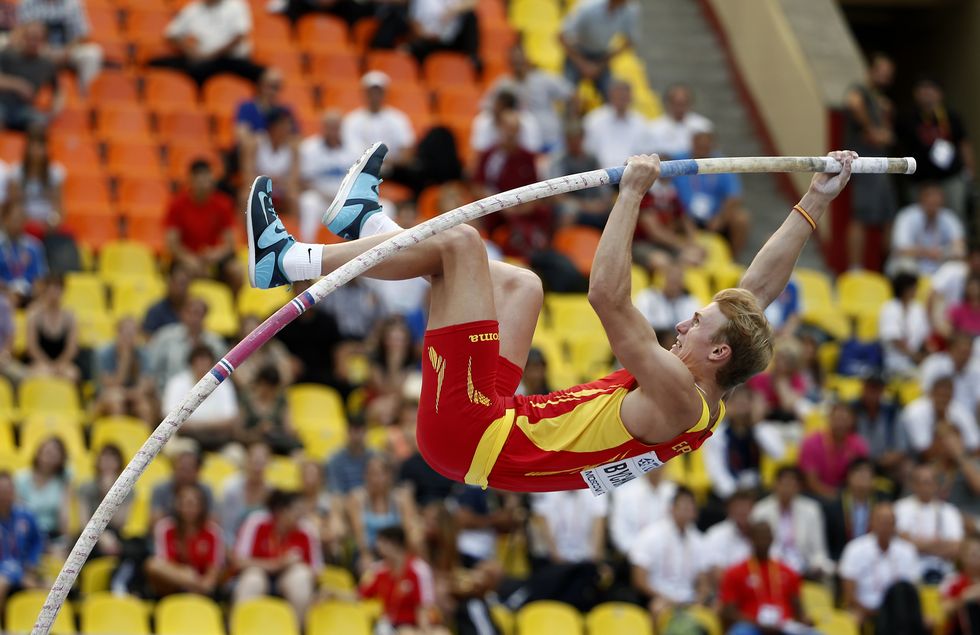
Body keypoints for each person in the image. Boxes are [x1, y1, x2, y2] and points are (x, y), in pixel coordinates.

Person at [244, 143, 859, 494]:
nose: (683, 325)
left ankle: (289, 260)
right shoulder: (707, 388)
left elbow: (608, 298)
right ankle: (367, 224)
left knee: (459, 247)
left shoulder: (677, 394)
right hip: (496, 418)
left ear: (717, 353)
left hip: (471, 433)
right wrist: (813, 201)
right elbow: (758, 289)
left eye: (696, 323)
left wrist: (631, 194)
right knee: (518, 285)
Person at [232, 489, 322, 622]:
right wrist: (277, 564)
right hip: (259, 573)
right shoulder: (256, 522)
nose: (300, 516)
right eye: (296, 510)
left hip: (287, 579)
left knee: (300, 579)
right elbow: (238, 561)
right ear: (281, 510)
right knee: (253, 580)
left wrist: (297, 565)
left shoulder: (307, 530)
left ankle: (298, 629)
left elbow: (317, 572)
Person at [844, 52, 898, 270]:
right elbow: (854, 103)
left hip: (880, 164)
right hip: (864, 162)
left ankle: (889, 267)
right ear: (871, 71)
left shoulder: (878, 100)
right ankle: (855, 268)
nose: (884, 78)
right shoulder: (860, 90)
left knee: (889, 215)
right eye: (881, 72)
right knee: (861, 216)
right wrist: (872, 130)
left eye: (888, 74)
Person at [629, 486, 710, 624]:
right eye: (682, 506)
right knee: (657, 608)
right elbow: (639, 579)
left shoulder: (698, 540)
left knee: (708, 616)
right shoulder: (651, 535)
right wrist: (663, 597)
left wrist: (700, 599)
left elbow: (703, 580)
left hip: (688, 599)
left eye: (690, 507)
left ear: (695, 513)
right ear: (671, 508)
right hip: (660, 597)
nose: (686, 511)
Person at [839, 502, 923, 632]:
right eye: (881, 522)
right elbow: (849, 594)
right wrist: (871, 611)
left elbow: (912, 590)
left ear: (895, 525)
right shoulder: (855, 549)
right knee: (854, 620)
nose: (885, 527)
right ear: (871, 522)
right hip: (866, 609)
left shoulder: (907, 550)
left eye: (889, 523)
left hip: (898, 611)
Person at [899, 77, 974, 219]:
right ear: (916, 94)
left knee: (955, 216)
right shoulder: (908, 117)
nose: (927, 93)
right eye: (922, 89)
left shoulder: (951, 116)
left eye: (931, 89)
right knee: (918, 219)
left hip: (950, 178)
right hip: (920, 179)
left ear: (940, 93)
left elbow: (964, 144)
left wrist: (969, 173)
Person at [719, 521, 807, 635]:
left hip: (783, 627)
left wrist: (805, 620)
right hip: (750, 627)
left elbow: (799, 610)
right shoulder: (734, 572)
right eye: (759, 537)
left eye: (766, 536)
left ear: (772, 539)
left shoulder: (788, 572)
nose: (763, 541)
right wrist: (757, 623)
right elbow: (728, 613)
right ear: (750, 539)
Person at [673, 128, 750, 258]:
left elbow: (734, 196)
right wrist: (683, 214)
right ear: (692, 143)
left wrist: (720, 217)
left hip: (714, 217)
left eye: (706, 146)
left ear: (713, 145)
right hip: (684, 215)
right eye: (699, 145)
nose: (702, 149)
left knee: (741, 218)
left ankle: (732, 260)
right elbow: (668, 191)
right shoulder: (679, 160)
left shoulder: (722, 163)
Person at [150, 0, 263, 86]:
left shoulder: (236, 5)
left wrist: (212, 55)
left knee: (265, 75)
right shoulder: (194, 8)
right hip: (202, 60)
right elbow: (171, 34)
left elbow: (239, 36)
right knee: (155, 63)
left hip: (230, 60)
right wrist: (190, 51)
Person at [485, 45, 573, 154]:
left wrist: (567, 122)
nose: (518, 65)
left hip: (550, 139)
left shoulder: (542, 79)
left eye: (520, 61)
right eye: (514, 62)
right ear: (509, 63)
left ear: (527, 60)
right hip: (522, 144)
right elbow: (487, 106)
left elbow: (572, 95)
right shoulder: (504, 84)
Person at [750, 467, 832, 577]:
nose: (787, 489)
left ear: (798, 487)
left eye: (792, 485)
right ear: (775, 485)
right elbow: (758, 546)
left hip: (805, 565)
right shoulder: (760, 509)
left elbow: (818, 549)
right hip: (772, 564)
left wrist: (817, 564)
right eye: (784, 484)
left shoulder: (811, 509)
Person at [164, 159, 238, 283]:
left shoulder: (223, 204)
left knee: (237, 271)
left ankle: (236, 302)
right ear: (191, 180)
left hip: (213, 258)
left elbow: (230, 243)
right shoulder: (177, 205)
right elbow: (172, 243)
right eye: (200, 179)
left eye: (207, 178)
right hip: (186, 259)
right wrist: (188, 259)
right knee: (178, 280)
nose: (204, 184)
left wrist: (216, 254)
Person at [145, 483, 224, 597]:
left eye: (193, 504)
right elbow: (165, 563)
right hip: (171, 585)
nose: (188, 509)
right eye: (184, 504)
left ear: (202, 506)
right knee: (152, 565)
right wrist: (187, 575)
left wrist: (203, 584)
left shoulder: (213, 532)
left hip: (202, 585)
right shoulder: (165, 528)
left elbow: (214, 568)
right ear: (177, 505)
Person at [359, 525, 441, 634]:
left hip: (418, 623)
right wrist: (333, 593)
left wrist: (425, 631)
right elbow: (359, 595)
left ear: (393, 544)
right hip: (391, 625)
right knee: (406, 632)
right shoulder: (378, 570)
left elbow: (423, 607)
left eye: (381, 542)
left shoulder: (419, 569)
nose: (377, 546)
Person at [895, 462, 964, 584]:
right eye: (921, 482)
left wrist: (918, 545)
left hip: (943, 571)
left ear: (936, 485)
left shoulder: (950, 511)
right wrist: (938, 545)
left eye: (929, 482)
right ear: (913, 485)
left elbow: (955, 548)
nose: (925, 487)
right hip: (910, 571)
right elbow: (902, 544)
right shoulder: (900, 508)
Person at [162, 345, 240, 452]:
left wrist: (197, 426)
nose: (202, 366)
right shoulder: (177, 383)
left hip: (217, 440)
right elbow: (169, 418)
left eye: (205, 361)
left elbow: (231, 419)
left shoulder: (224, 384)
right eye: (199, 361)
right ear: (191, 363)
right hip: (185, 438)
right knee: (171, 448)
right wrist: (210, 425)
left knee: (236, 453)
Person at [298, 110, 359, 242]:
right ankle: (307, 248)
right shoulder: (309, 147)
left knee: (385, 206)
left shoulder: (355, 148)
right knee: (308, 202)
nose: (332, 131)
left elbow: (361, 179)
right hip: (322, 198)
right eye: (329, 127)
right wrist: (324, 194)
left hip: (348, 199)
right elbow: (305, 181)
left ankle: (369, 253)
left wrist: (346, 197)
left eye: (336, 127)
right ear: (323, 128)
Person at [558, 0, 640, 99]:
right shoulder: (587, 6)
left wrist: (601, 64)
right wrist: (582, 64)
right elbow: (561, 36)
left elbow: (630, 42)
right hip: (577, 53)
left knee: (613, 95)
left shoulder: (630, 10)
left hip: (601, 56)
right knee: (567, 93)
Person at [17, 0, 102, 89]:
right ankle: (19, 93)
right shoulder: (28, 2)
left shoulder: (73, 3)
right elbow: (20, 32)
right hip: (37, 49)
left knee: (92, 54)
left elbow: (82, 34)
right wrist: (39, 48)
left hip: (68, 50)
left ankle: (86, 97)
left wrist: (66, 51)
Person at [887, 182, 966, 276]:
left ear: (942, 200)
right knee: (905, 264)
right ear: (921, 199)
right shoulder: (906, 216)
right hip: (914, 264)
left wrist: (944, 253)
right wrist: (928, 253)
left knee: (960, 268)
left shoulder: (949, 218)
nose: (933, 201)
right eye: (929, 197)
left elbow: (960, 248)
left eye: (936, 198)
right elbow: (901, 249)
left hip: (939, 265)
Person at [341, 72, 415, 169]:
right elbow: (348, 149)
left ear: (385, 93)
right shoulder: (351, 120)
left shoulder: (398, 118)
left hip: (393, 169)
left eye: (378, 92)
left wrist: (393, 162)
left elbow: (406, 148)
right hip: (360, 169)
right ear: (363, 93)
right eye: (371, 92)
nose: (374, 95)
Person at [798, 401, 869, 499]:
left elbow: (862, 476)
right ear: (829, 418)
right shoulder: (811, 443)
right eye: (837, 419)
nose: (840, 423)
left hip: (848, 496)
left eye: (844, 419)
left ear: (852, 421)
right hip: (816, 496)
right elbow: (811, 482)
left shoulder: (858, 445)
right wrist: (834, 497)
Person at [0, 21, 62, 131]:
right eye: (30, 38)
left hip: (25, 109)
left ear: (44, 41)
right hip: (3, 105)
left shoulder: (47, 64)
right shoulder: (8, 55)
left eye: (37, 39)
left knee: (40, 122)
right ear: (24, 38)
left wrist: (54, 110)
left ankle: (32, 148)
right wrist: (18, 85)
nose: (33, 42)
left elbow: (58, 90)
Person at [240, 106, 299, 217]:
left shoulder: (293, 146)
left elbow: (294, 178)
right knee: (244, 196)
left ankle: (293, 231)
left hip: (283, 188)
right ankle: (245, 232)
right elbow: (247, 174)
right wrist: (266, 183)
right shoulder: (254, 144)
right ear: (274, 126)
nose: (289, 128)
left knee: (294, 197)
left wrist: (283, 184)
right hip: (258, 187)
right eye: (285, 124)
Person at [94, 317, 155, 421]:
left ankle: (147, 436)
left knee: (144, 408)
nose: (129, 338)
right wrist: (124, 361)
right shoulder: (104, 353)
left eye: (132, 334)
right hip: (108, 396)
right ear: (117, 333)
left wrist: (129, 394)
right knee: (115, 402)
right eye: (125, 333)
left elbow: (146, 384)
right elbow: (109, 385)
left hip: (132, 395)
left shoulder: (142, 354)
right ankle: (118, 435)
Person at [76, 445, 132, 560]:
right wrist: (101, 537)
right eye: (105, 459)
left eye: (113, 459)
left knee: (135, 550)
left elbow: (119, 523)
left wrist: (110, 493)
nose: (108, 463)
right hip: (88, 534)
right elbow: (83, 522)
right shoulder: (86, 487)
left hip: (115, 534)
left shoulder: (127, 489)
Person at [582, 79, 652, 170]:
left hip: (632, 175)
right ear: (610, 96)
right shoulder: (594, 120)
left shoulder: (641, 123)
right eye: (618, 96)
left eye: (624, 97)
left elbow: (645, 153)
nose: (621, 100)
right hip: (599, 175)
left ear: (630, 98)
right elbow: (588, 151)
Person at [900, 375, 979, 455]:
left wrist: (956, 432)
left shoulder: (959, 410)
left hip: (956, 457)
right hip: (913, 457)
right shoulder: (915, 412)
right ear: (930, 394)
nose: (942, 400)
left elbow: (975, 446)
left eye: (946, 396)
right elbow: (924, 451)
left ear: (952, 396)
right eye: (939, 395)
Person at [0, 471, 44, 614]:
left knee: (52, 587)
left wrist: (32, 561)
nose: (5, 495)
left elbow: (37, 540)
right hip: (4, 573)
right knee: (2, 583)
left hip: (24, 568)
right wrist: (18, 575)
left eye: (8, 490)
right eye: (1, 491)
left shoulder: (24, 515)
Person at [609, 468, 677, 557]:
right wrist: (639, 555)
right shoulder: (625, 492)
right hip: (632, 557)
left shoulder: (674, 492)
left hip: (668, 556)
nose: (657, 467)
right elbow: (618, 531)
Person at [823, 458, 881, 562]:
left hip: (873, 560)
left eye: (868, 474)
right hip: (841, 559)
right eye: (860, 473)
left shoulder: (880, 506)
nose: (864, 477)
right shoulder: (833, 507)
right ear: (849, 477)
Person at [15, 437, 70, 545]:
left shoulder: (62, 480)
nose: (50, 458)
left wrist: (65, 540)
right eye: (48, 453)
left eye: (55, 455)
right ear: (38, 453)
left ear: (61, 459)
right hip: (28, 534)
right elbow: (18, 514)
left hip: (52, 534)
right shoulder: (21, 479)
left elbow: (64, 513)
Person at [24, 275, 79, 382]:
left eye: (58, 289)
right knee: (41, 374)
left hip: (63, 362)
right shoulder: (34, 315)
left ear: (63, 291)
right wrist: (47, 364)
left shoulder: (70, 316)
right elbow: (32, 347)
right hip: (39, 361)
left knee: (71, 374)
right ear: (45, 291)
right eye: (51, 289)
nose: (54, 293)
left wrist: (59, 364)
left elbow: (72, 348)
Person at [236, 365, 301, 454]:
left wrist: (274, 430)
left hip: (276, 444)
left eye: (272, 389)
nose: (268, 391)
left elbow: (288, 429)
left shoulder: (281, 400)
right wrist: (257, 432)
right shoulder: (246, 399)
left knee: (298, 453)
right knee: (259, 451)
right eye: (265, 387)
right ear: (258, 384)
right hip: (250, 443)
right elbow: (238, 432)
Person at [10, 131, 64, 233]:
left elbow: (59, 208)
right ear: (27, 148)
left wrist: (52, 223)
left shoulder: (55, 173)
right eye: (33, 146)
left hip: (49, 227)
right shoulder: (17, 172)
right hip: (23, 226)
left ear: (47, 148)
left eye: (40, 146)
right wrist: (27, 222)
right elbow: (15, 206)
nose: (36, 151)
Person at [879, 271, 930, 378]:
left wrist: (926, 355)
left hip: (915, 360)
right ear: (904, 289)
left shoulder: (918, 308)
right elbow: (894, 339)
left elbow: (925, 337)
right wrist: (915, 356)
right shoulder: (889, 308)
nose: (915, 291)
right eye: (913, 288)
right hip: (894, 361)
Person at [218, 441, 271, 544]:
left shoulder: (272, 492)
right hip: (231, 544)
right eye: (255, 462)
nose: (257, 468)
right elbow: (225, 526)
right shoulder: (231, 488)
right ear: (247, 461)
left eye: (261, 463)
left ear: (268, 463)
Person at [149, 443, 213, 526]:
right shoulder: (160, 489)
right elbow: (155, 523)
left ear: (198, 471)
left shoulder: (205, 490)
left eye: (188, 470)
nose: (184, 475)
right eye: (181, 469)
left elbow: (212, 522)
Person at [648, 84, 714, 158]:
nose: (680, 109)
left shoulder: (703, 126)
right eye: (676, 104)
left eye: (683, 104)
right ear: (668, 104)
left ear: (690, 104)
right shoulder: (654, 127)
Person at [470, 88, 543, 156]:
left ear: (511, 111)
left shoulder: (528, 122)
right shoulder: (483, 120)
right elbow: (479, 152)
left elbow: (532, 151)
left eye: (499, 109)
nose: (494, 111)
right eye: (494, 107)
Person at [0, 201, 47, 302]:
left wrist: (34, 291)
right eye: (14, 220)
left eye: (21, 219)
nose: (18, 224)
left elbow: (40, 278)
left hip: (29, 297)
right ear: (5, 219)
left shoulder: (34, 246)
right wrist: (8, 291)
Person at [703, 490, 756, 577]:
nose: (742, 511)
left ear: (752, 509)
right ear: (729, 509)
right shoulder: (716, 534)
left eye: (746, 506)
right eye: (738, 506)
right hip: (729, 587)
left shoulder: (761, 535)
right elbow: (715, 571)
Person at [234, 67, 296, 142]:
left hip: (277, 149)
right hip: (254, 149)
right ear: (260, 86)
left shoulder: (285, 110)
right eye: (269, 86)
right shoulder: (247, 107)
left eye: (276, 87)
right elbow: (241, 134)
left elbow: (295, 136)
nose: (272, 91)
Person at [326, 416, 375, 495]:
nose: (357, 437)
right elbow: (335, 489)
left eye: (360, 432)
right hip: (343, 501)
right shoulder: (335, 459)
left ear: (366, 433)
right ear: (347, 433)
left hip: (370, 501)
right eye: (354, 432)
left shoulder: (375, 457)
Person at [941, 536, 980, 635]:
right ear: (962, 558)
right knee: (971, 605)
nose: (978, 558)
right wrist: (964, 598)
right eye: (973, 554)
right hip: (959, 629)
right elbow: (944, 609)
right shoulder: (953, 580)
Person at [143, 263, 191, 335]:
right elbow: (147, 337)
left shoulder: (193, 311)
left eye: (184, 284)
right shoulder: (156, 310)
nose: (180, 289)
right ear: (169, 285)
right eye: (178, 284)